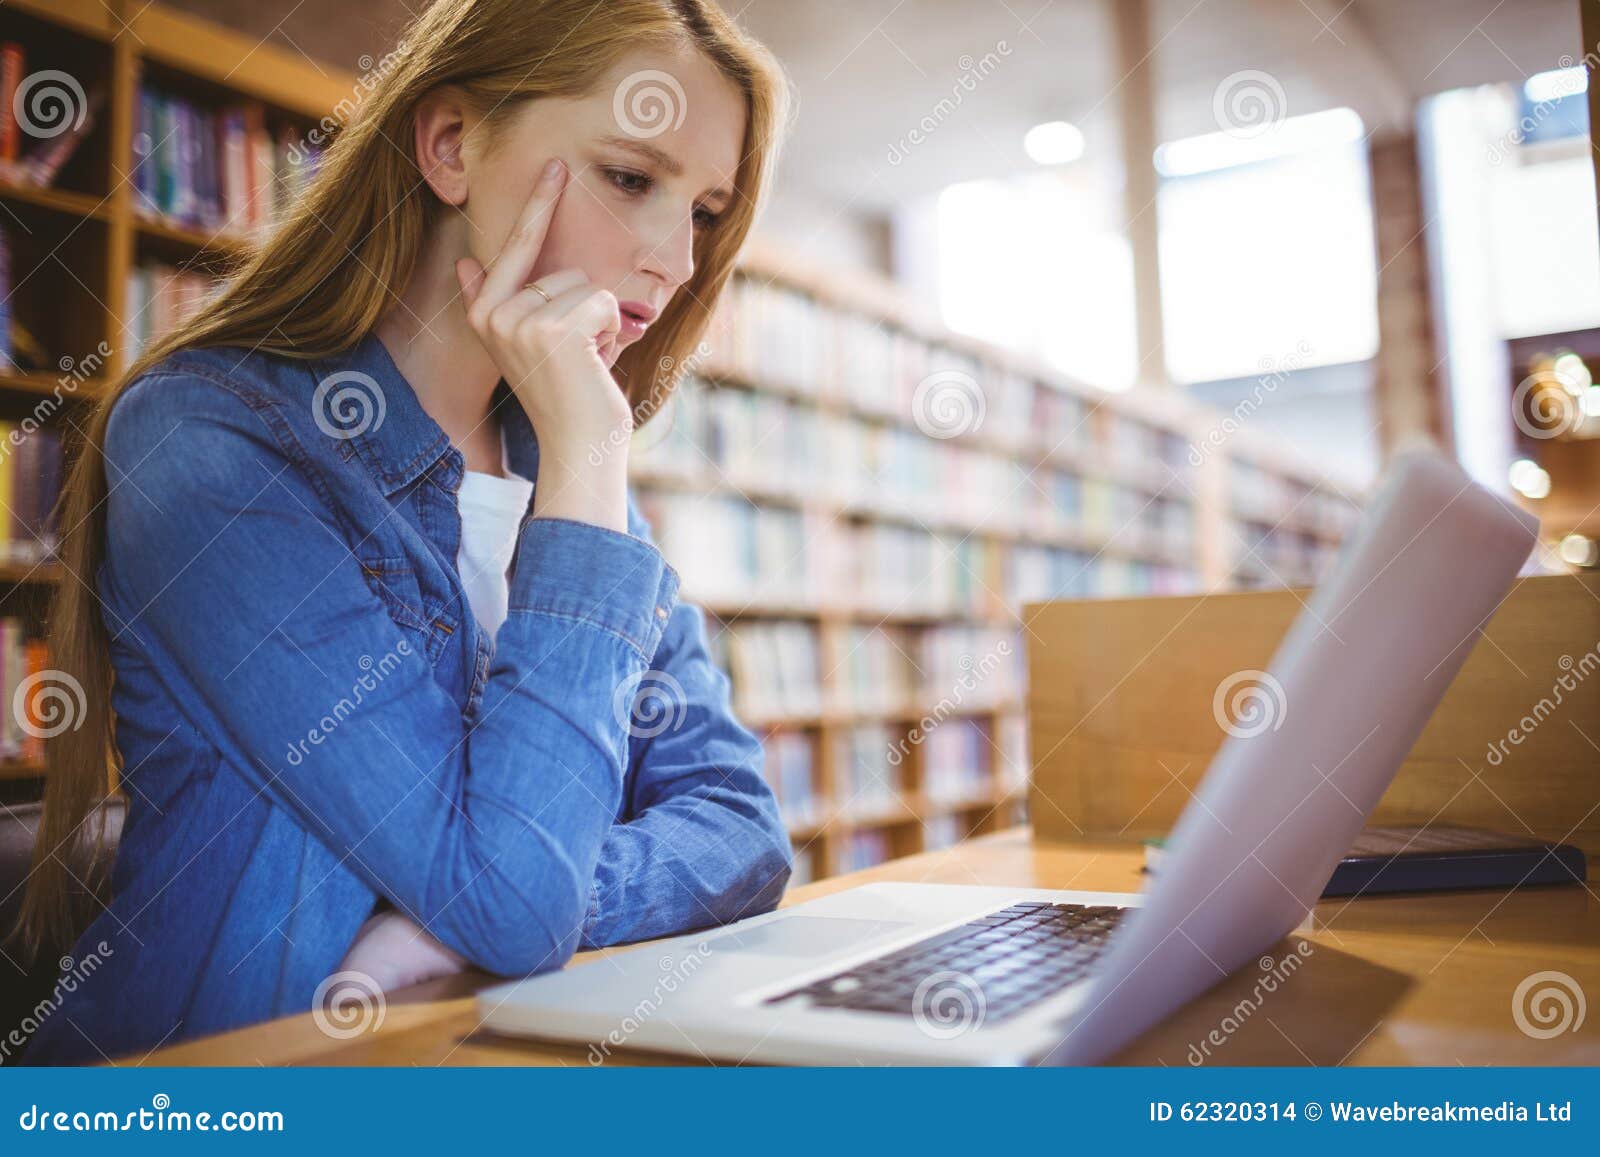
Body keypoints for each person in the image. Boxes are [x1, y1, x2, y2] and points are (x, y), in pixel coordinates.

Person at [14, 0, 794, 1064]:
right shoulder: (208, 442)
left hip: (468, 1053)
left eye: (706, 210)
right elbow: (512, 899)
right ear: (449, 146)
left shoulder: (574, 473)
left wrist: (463, 913)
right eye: (629, 178)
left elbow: (741, 826)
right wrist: (500, 899)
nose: (676, 258)